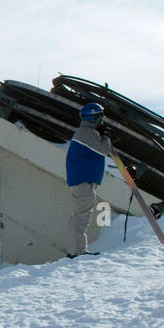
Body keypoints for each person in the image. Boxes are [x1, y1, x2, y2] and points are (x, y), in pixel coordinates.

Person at [66, 103, 111, 257]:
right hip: (83, 181)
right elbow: (104, 150)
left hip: (81, 180)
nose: (102, 120)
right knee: (81, 217)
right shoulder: (86, 133)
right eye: (100, 117)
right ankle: (78, 252)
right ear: (94, 117)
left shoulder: (85, 132)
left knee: (78, 216)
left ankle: (76, 251)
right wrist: (106, 136)